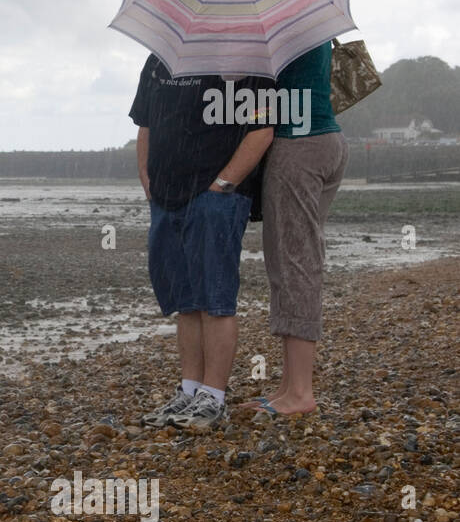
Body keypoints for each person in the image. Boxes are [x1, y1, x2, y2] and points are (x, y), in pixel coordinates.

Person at [131, 54, 273, 430]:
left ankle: (214, 397)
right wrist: (147, 179)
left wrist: (223, 185)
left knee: (216, 300)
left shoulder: (246, 59)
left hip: (215, 199)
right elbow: (145, 123)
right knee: (185, 302)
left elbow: (263, 128)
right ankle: (189, 391)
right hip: (165, 198)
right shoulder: (161, 58)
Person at [254, 41, 348, 416]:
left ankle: (301, 392)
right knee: (288, 262)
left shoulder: (279, 25)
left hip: (298, 144)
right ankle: (288, 386)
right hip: (328, 139)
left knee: (295, 265)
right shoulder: (308, 17)